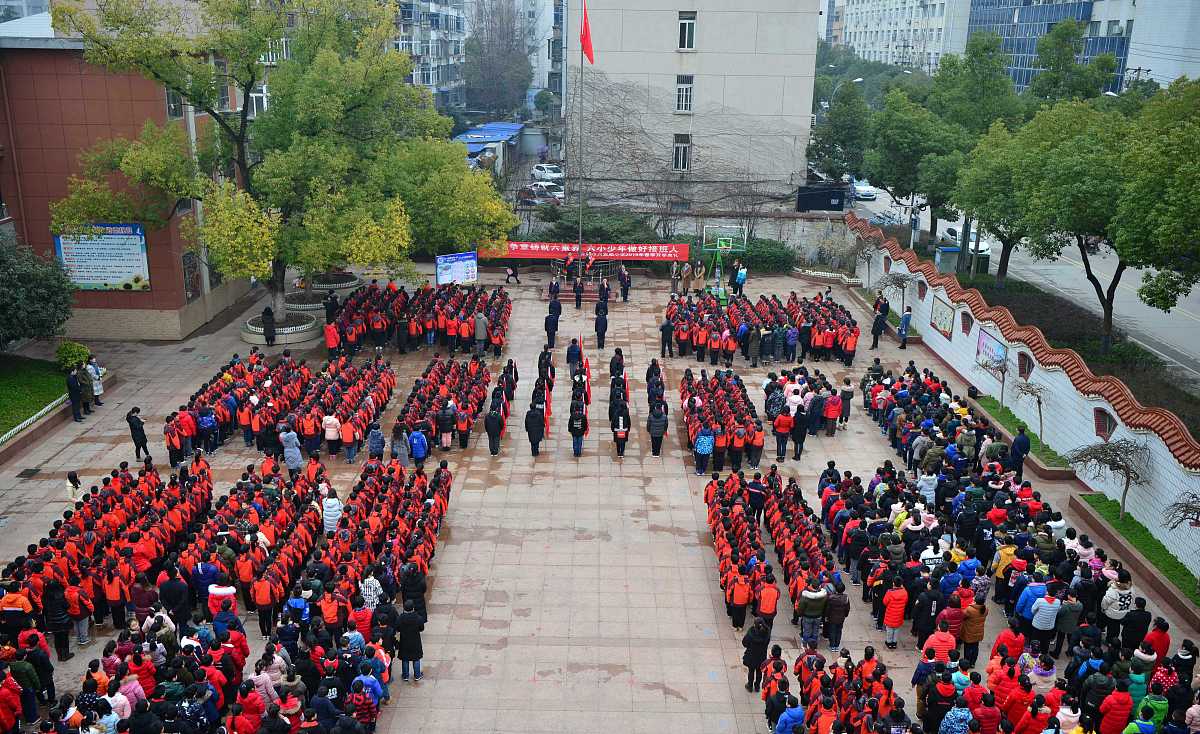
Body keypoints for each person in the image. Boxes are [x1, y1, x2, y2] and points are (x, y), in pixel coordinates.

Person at [396, 601, 424, 682]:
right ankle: (417, 675)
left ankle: (405, 675)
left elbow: (397, 628)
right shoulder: (418, 618)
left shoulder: (401, 618)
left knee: (405, 658)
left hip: (404, 641)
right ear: (413, 608)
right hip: (415, 641)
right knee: (416, 658)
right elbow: (421, 628)